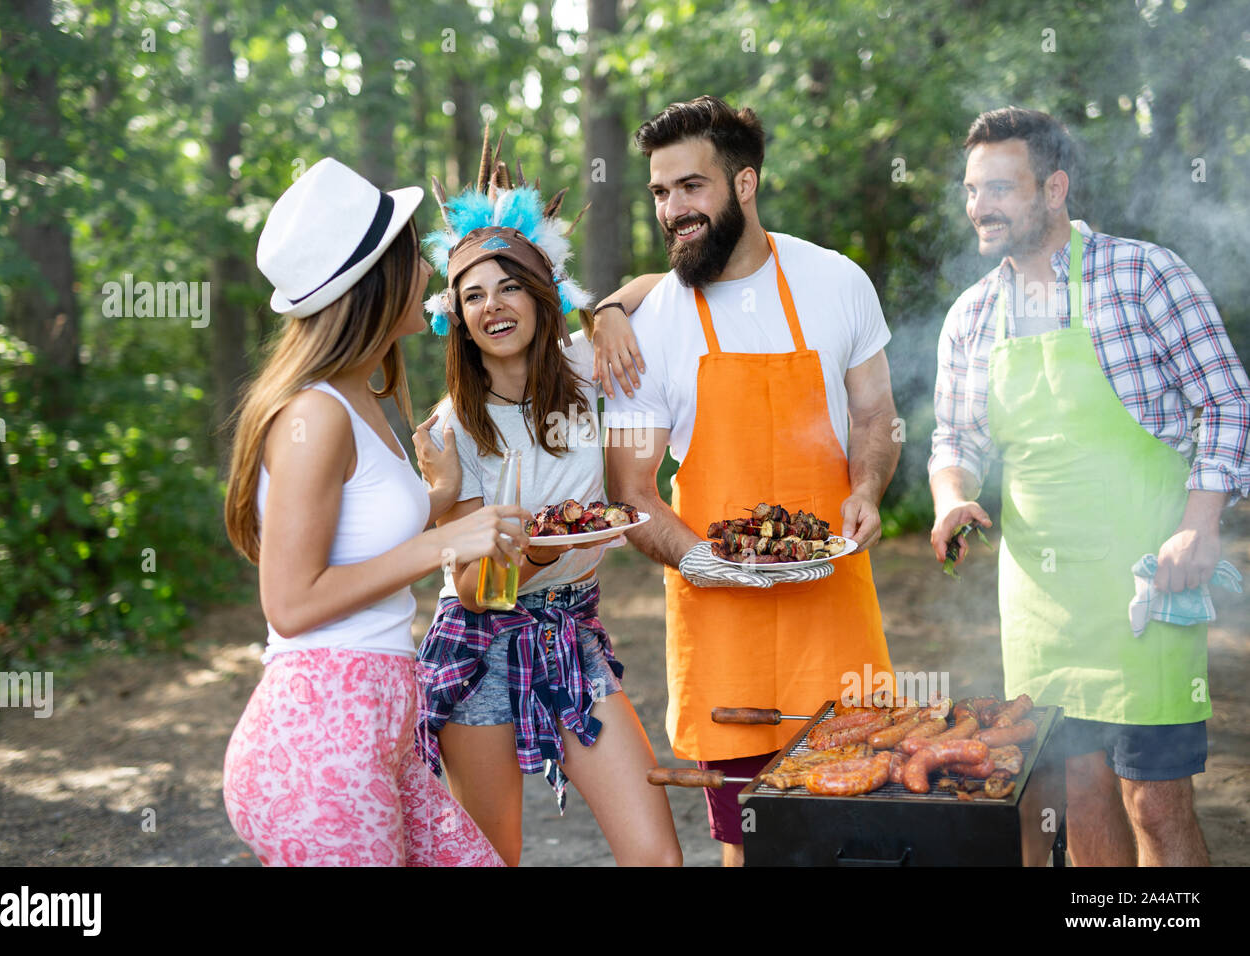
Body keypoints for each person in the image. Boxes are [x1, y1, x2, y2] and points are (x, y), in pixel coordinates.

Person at [929, 106, 1250, 866]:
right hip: (1041, 603)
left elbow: (1227, 400)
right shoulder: (973, 316)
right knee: (1073, 800)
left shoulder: (1143, 275)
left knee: (1157, 805)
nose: (981, 207)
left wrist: (1201, 525)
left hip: (1148, 587)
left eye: (1001, 188)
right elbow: (955, 437)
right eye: (972, 191)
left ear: (1054, 188)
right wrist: (951, 498)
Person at [603, 96, 902, 866]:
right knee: (752, 843)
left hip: (834, 612)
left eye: (691, 187)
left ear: (744, 184)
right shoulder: (652, 325)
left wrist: (866, 489)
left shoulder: (836, 282)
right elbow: (632, 493)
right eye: (661, 193)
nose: (673, 211)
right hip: (723, 626)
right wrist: (703, 560)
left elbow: (876, 416)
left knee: (859, 831)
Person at [221, 157, 532, 866]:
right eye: (413, 257)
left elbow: (358, 552)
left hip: (384, 722)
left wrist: (439, 504)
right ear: (376, 284)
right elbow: (291, 602)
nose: (427, 272)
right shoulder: (313, 415)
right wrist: (446, 542)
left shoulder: (359, 395)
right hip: (319, 740)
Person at [413, 142, 681, 867]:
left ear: (542, 293)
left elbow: (672, 280)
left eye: (509, 288)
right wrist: (539, 546)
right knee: (495, 858)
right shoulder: (449, 430)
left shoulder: (594, 372)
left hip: (572, 630)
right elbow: (473, 588)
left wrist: (618, 307)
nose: (493, 306)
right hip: (479, 648)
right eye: (473, 295)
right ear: (457, 317)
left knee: (657, 855)